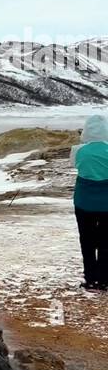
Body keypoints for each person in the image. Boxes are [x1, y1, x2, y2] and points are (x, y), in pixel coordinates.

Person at [72, 115, 108, 291]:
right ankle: (103, 278)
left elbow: (76, 165)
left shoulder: (78, 151)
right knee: (105, 241)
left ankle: (90, 277)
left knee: (86, 240)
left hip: (83, 201)